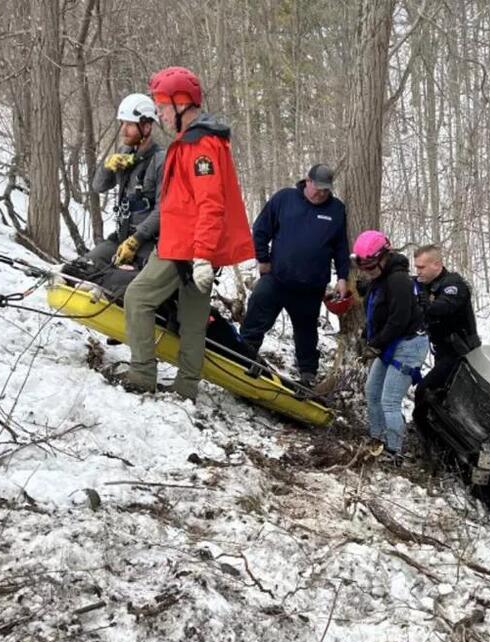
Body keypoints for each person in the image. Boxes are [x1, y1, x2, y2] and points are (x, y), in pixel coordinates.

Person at [121, 66, 254, 400]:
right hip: (190, 247)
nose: (161, 114)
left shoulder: (201, 146)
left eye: (164, 107)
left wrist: (203, 255)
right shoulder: (193, 141)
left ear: (182, 104)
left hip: (184, 247)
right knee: (194, 320)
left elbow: (211, 204)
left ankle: (141, 374)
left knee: (138, 298)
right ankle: (186, 387)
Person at [239, 164, 349, 387]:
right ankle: (244, 352)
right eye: (318, 188)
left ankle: (307, 375)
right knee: (258, 307)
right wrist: (263, 259)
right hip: (277, 277)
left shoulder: (336, 209)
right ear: (307, 181)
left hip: (311, 286)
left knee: (307, 331)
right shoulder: (285, 199)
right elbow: (261, 229)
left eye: (326, 190)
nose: (321, 193)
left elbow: (340, 247)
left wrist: (342, 277)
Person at [64, 93, 164, 297]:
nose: (123, 130)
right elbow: (98, 186)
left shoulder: (161, 161)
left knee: (118, 284)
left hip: (148, 243)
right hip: (120, 237)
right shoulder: (124, 153)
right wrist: (108, 165)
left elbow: (163, 209)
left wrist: (136, 240)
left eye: (129, 124)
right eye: (122, 123)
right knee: (77, 269)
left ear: (146, 126)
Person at [354, 230, 428, 463]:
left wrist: (375, 345)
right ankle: (377, 438)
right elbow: (378, 312)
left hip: (408, 344)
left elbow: (399, 319)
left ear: (384, 256)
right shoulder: (380, 280)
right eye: (364, 266)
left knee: (390, 400)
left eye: (371, 266)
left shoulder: (399, 280)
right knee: (372, 391)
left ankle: (394, 451)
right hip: (389, 341)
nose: (368, 271)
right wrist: (368, 335)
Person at [411, 244, 481, 434]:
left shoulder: (454, 285)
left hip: (460, 354)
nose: (418, 272)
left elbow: (444, 307)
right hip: (443, 351)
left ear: (437, 264)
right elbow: (401, 283)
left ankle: (424, 436)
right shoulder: (426, 283)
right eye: (416, 267)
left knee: (425, 392)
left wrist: (426, 305)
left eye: (422, 267)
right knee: (441, 398)